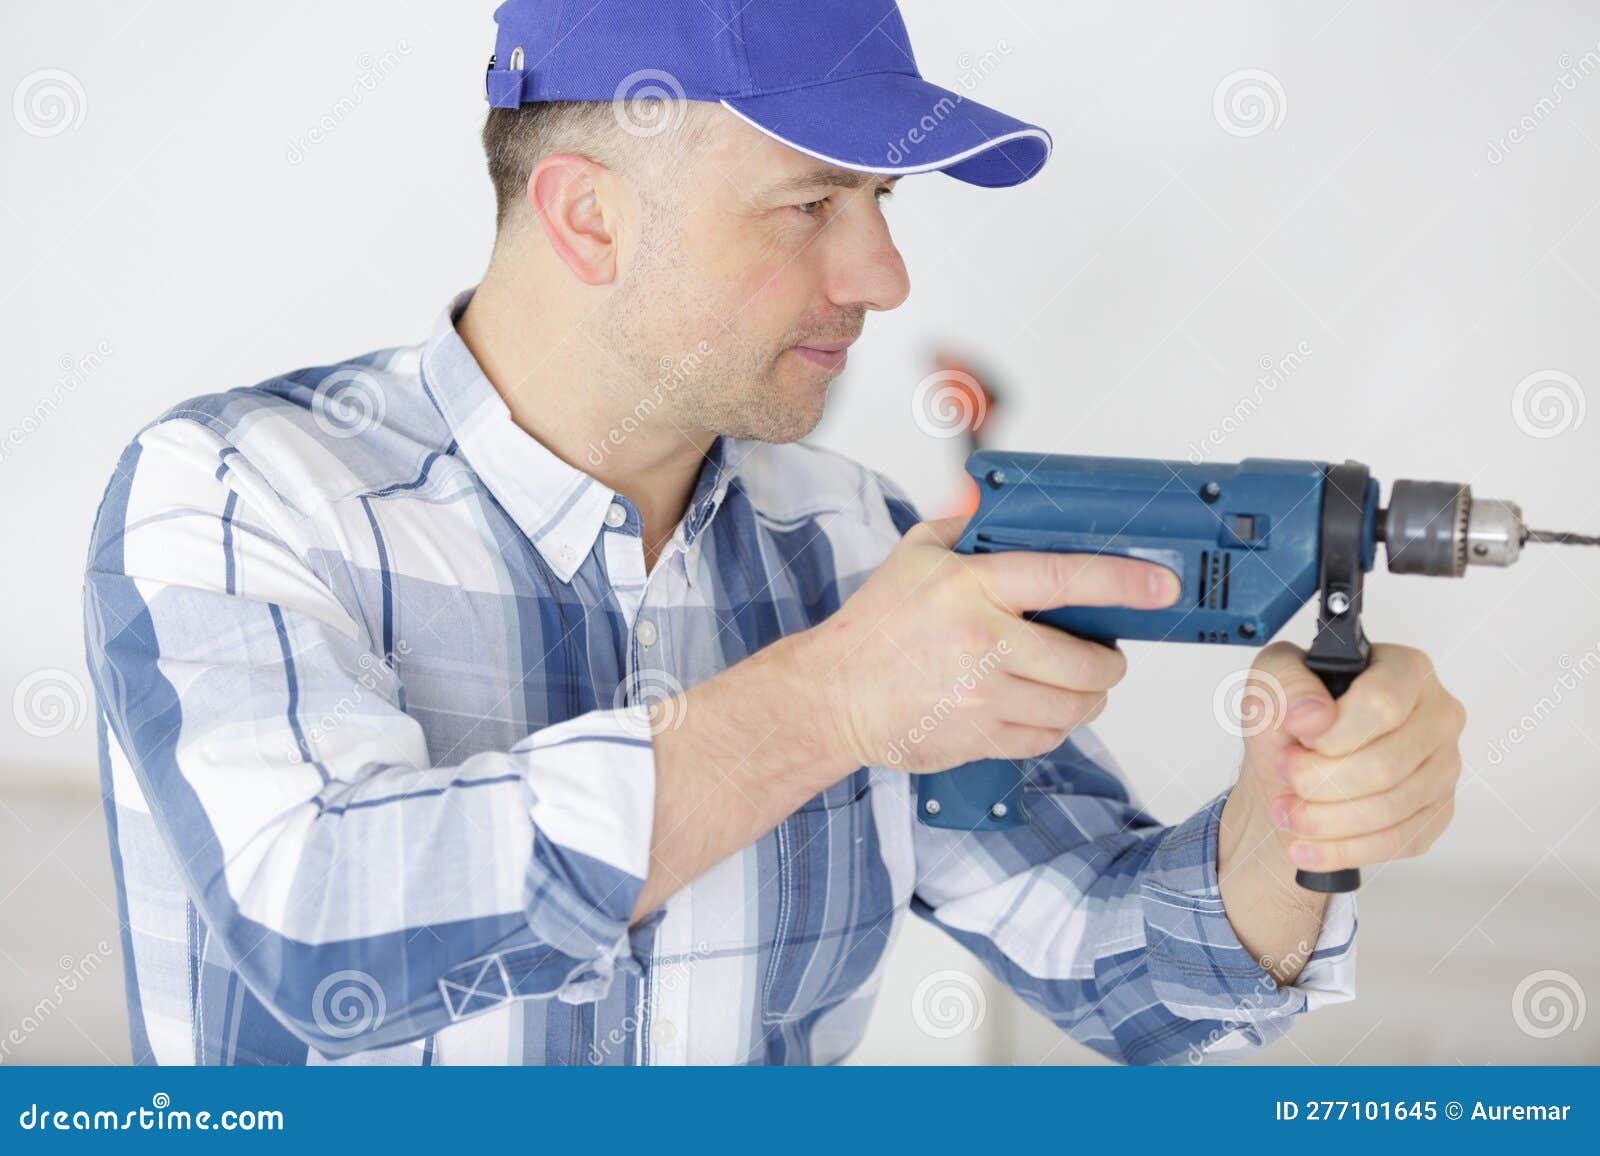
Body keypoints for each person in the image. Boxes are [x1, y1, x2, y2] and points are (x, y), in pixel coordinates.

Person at [83, 0, 1465, 1066]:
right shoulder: (238, 496)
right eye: (811, 204)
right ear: (589, 217)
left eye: (882, 204)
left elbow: (1124, 972)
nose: (883, 274)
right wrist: (831, 702)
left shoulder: (857, 547)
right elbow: (321, 918)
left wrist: (1295, 818)